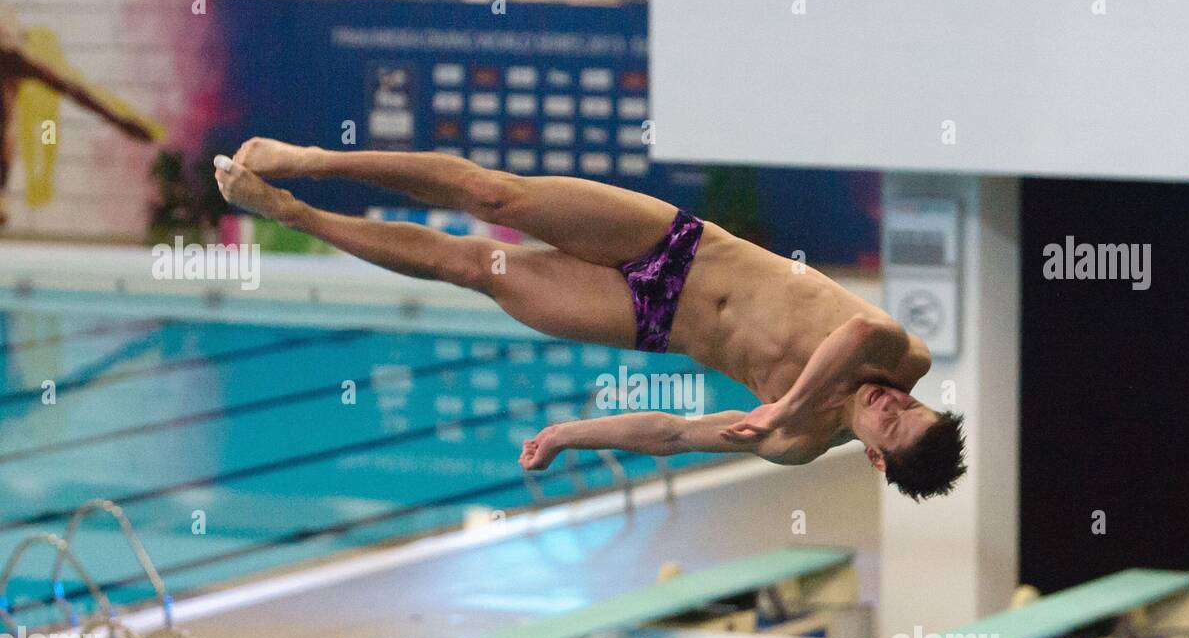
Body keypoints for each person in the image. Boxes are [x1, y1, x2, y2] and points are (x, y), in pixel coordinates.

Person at [213, 138, 966, 500]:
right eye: (909, 408)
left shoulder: (798, 444)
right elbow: (858, 335)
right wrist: (794, 401)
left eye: (892, 425)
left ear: (874, 458)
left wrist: (569, 434)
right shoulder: (906, 359)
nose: (891, 403)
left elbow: (673, 435)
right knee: (494, 195)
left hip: (648, 317)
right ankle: (309, 159)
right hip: (682, 247)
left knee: (473, 266)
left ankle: (290, 210)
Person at [0, 5, 153, 227]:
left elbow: (74, 90)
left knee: (10, 128)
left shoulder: (15, 60)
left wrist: (119, 120)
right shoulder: (12, 59)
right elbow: (74, 90)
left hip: (6, 138)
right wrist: (120, 121)